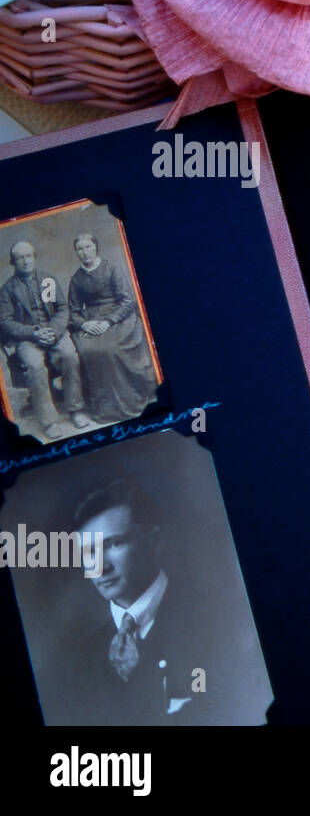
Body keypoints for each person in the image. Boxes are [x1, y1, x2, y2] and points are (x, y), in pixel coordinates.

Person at [68, 479, 213, 724]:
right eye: (88, 552)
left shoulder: (214, 618)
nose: (100, 567)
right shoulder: (81, 657)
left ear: (154, 541)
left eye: (114, 544)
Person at [66, 233, 158, 424]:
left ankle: (128, 401)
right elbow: (73, 311)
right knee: (88, 349)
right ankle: (104, 407)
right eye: (80, 249)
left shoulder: (112, 268)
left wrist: (108, 321)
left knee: (110, 350)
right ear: (76, 252)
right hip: (91, 321)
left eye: (88, 247)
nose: (85, 252)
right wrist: (85, 323)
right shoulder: (76, 278)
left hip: (119, 318)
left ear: (95, 247)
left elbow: (127, 301)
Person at [0, 241, 88, 439]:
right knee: (34, 366)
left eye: (28, 256)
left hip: (53, 333)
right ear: (13, 262)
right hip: (27, 339)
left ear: (34, 257)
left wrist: (54, 331)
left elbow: (61, 309)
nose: (25, 261)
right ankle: (48, 421)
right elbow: (5, 322)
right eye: (20, 258)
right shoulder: (7, 290)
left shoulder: (47, 280)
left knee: (69, 356)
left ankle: (75, 410)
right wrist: (33, 333)